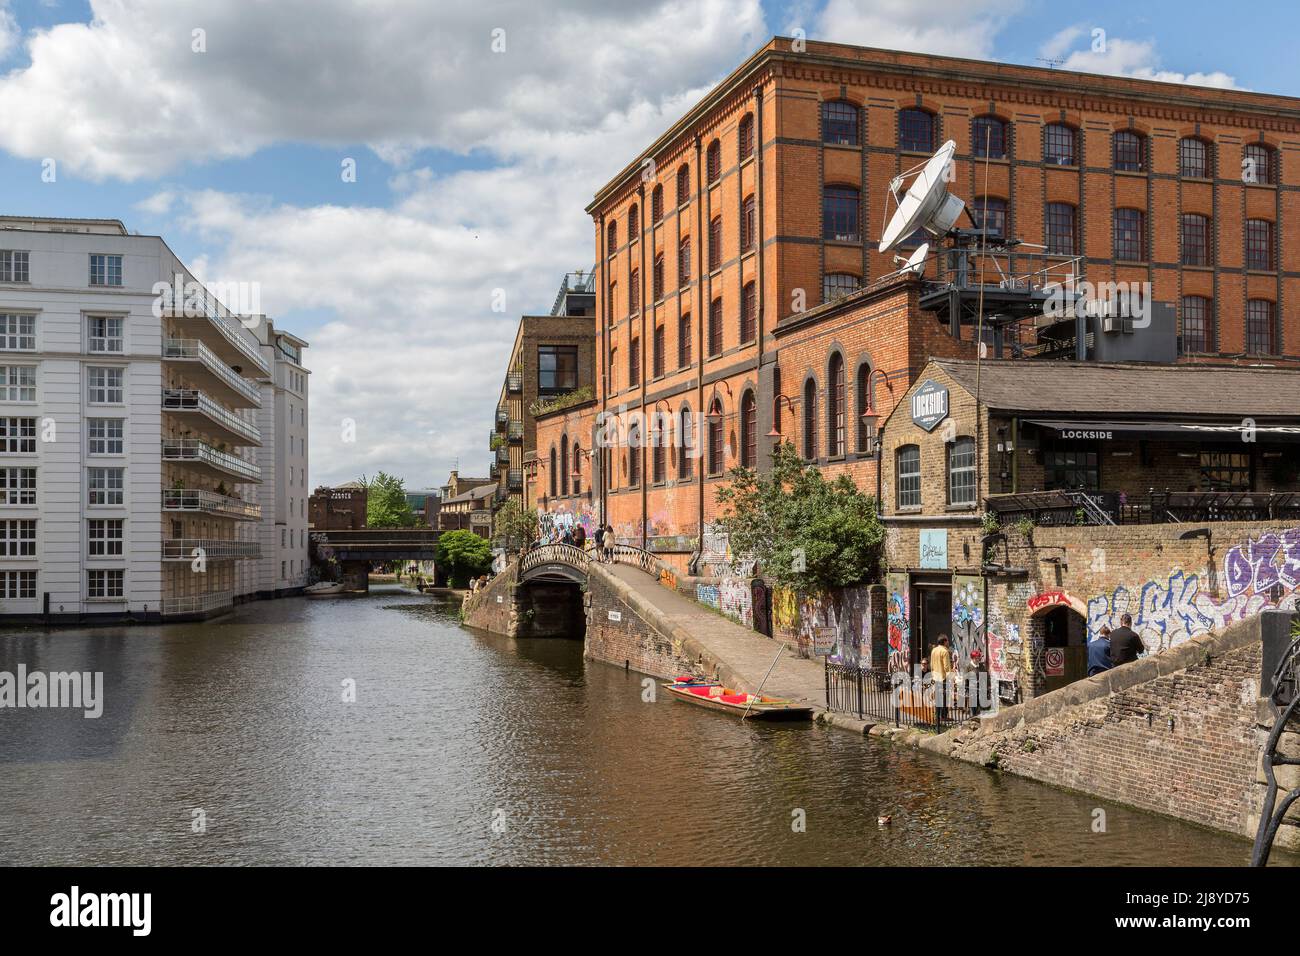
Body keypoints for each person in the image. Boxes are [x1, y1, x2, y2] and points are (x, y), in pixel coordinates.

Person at [929, 635, 953, 721]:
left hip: (935, 677)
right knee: (945, 698)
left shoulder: (934, 650)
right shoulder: (944, 651)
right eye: (947, 641)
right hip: (943, 678)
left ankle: (937, 716)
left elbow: (931, 665)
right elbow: (946, 667)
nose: (948, 642)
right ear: (945, 642)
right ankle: (944, 716)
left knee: (938, 698)